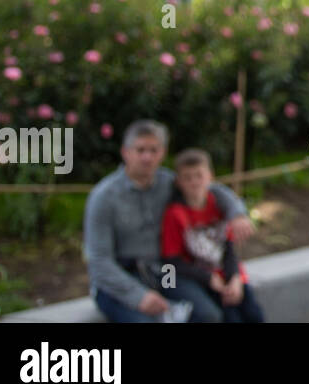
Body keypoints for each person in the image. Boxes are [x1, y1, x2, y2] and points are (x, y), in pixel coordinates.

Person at [83, 120, 255, 323]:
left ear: (162, 153)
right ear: (125, 152)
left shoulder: (168, 183)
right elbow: (98, 261)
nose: (147, 157)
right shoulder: (104, 197)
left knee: (207, 314)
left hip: (165, 272)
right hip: (121, 278)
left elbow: (212, 190)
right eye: (140, 150)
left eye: (153, 150)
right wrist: (139, 296)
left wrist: (237, 213)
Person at [161, 149, 264, 323]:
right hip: (203, 280)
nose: (194, 182)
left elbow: (229, 248)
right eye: (188, 177)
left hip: (229, 275)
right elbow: (171, 261)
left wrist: (234, 278)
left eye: (199, 175)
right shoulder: (175, 215)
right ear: (178, 182)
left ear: (210, 176)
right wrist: (208, 278)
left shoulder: (219, 204)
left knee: (253, 314)